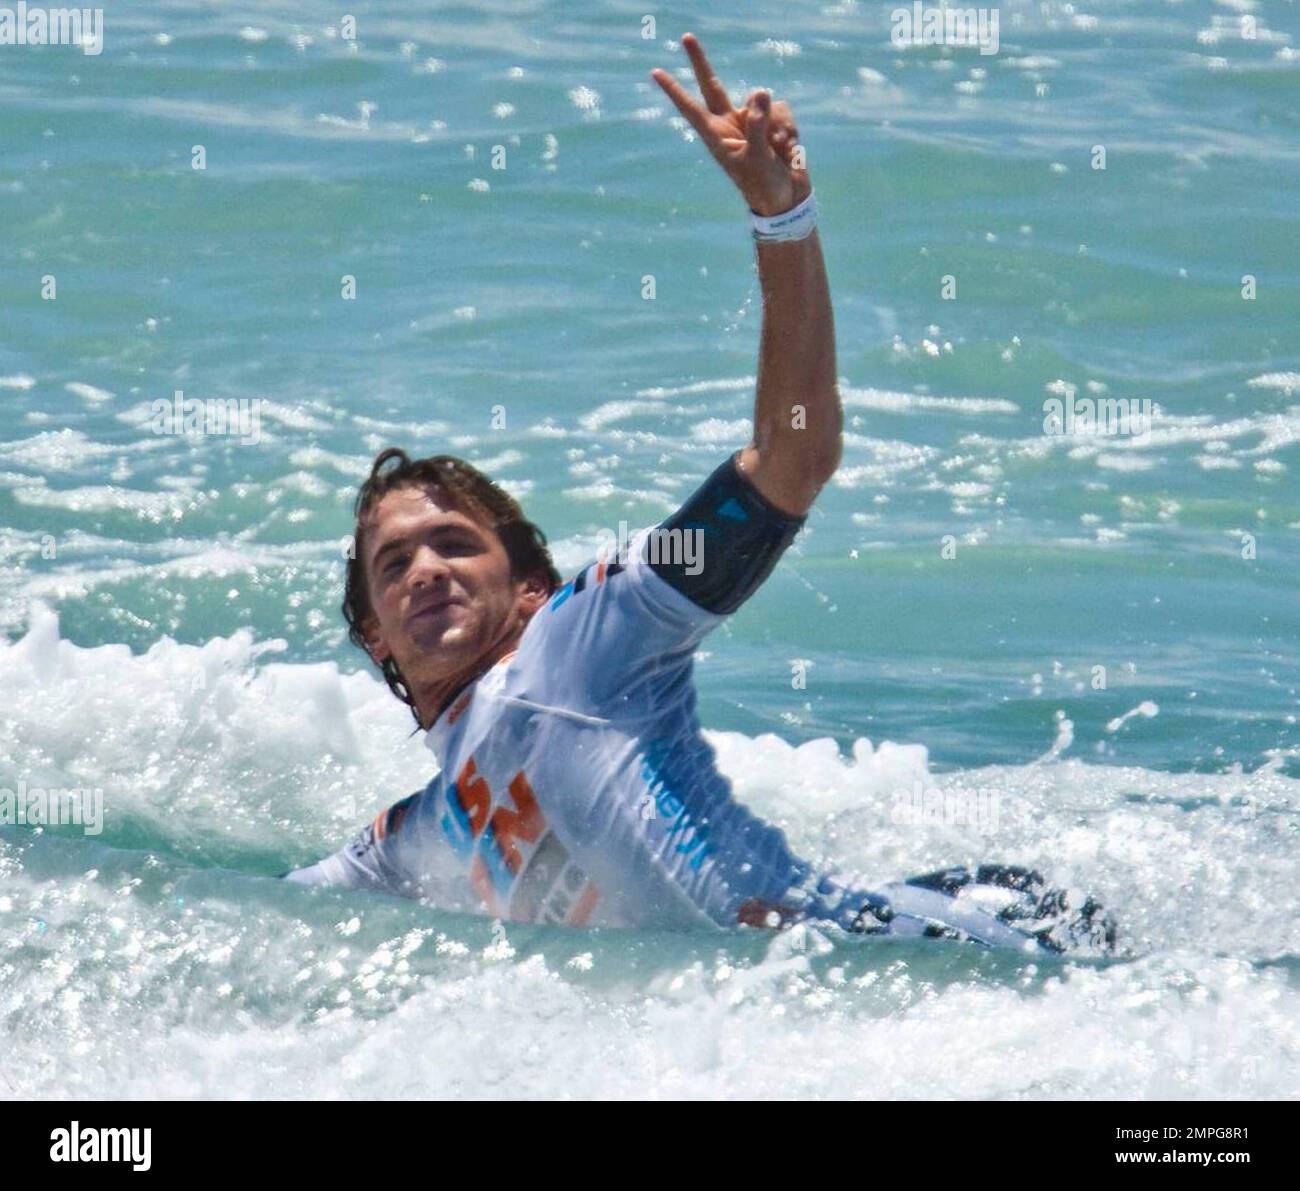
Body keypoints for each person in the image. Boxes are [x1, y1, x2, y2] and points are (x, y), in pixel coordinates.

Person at [285, 34, 1116, 954]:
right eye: (393, 564)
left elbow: (790, 463)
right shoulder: (410, 843)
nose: (426, 570)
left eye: (453, 543)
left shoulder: (587, 628)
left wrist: (782, 221)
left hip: (942, 943)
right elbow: (244, 914)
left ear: (528, 585)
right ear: (372, 632)